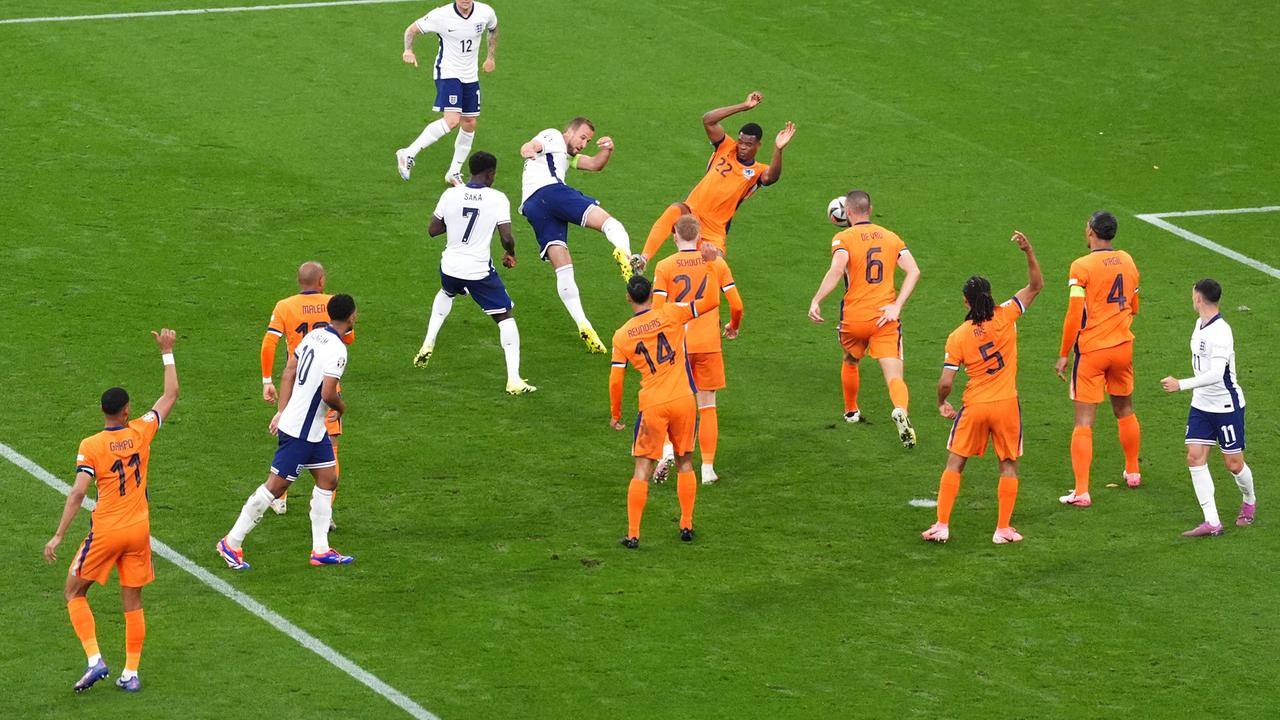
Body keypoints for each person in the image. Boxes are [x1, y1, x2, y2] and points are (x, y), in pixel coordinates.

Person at [43, 329, 180, 693]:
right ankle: (130, 673)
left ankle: (95, 660)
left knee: (74, 592)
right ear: (126, 410)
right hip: (139, 530)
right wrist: (167, 352)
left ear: (103, 411)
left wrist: (58, 534)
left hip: (106, 531)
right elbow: (170, 395)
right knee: (132, 600)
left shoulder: (91, 445)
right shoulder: (140, 432)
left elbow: (77, 494)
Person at [218, 295, 358, 570]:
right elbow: (329, 392)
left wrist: (282, 410)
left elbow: (289, 370)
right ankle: (231, 543)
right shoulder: (338, 350)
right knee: (276, 486)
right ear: (352, 317)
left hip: (311, 429)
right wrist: (341, 408)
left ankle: (320, 549)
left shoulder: (314, 336)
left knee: (328, 479)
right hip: (301, 431)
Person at [922, 233, 1043, 544]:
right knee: (1008, 465)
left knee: (955, 463)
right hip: (1006, 404)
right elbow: (1035, 286)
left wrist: (941, 403)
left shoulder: (958, 336)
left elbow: (946, 381)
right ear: (990, 296)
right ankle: (1002, 529)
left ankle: (942, 525)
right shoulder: (1007, 315)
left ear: (965, 302)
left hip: (974, 406)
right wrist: (1028, 251)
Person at [610, 275, 720, 548]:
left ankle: (634, 534)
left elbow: (616, 379)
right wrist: (711, 265)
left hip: (653, 405)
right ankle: (686, 524)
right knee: (685, 463)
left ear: (628, 298)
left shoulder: (622, 335)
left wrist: (615, 414)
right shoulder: (671, 312)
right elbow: (711, 301)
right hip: (684, 399)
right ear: (652, 294)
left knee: (642, 470)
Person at [414, 151, 535, 394]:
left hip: (449, 265)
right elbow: (507, 237)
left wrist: (456, 222)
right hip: (477, 271)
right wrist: (510, 253)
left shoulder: (451, 193)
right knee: (505, 316)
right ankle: (514, 380)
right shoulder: (497, 198)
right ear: (491, 174)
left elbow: (433, 229)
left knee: (447, 292)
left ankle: (429, 341)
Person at [808, 190, 922, 447]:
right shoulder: (891, 237)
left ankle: (851, 411)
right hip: (885, 317)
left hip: (854, 318)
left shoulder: (843, 238)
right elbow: (914, 271)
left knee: (850, 359)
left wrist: (816, 300)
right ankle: (900, 410)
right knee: (894, 376)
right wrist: (897, 306)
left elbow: (837, 270)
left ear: (847, 212)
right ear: (870, 209)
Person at [636, 92, 795, 266]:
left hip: (714, 230)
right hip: (691, 212)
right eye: (740, 141)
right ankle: (643, 259)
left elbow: (772, 176)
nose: (742, 147)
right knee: (675, 209)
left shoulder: (758, 171)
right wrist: (744, 106)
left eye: (748, 144)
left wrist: (778, 149)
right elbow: (708, 119)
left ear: (758, 145)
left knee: (714, 267)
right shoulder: (726, 146)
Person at [518, 117, 636, 353]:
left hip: (532, 206)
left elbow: (594, 164)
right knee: (611, 224)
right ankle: (626, 256)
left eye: (588, 140)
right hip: (550, 192)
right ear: (568, 132)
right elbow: (532, 145)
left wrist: (608, 150)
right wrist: (529, 150)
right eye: (582, 137)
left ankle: (584, 324)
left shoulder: (563, 155)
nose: (584, 144)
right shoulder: (553, 136)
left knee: (563, 267)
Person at [1055, 211, 1143, 507]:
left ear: (1090, 230)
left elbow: (1073, 314)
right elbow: (1135, 305)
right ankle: (1133, 470)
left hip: (1092, 351)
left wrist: (1064, 353)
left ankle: (1081, 491)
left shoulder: (1082, 266)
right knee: (1125, 409)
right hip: (1123, 347)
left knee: (1084, 422)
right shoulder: (1128, 260)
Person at [651, 215, 743, 484]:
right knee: (708, 406)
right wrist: (734, 325)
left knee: (672, 403)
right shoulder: (716, 263)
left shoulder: (665, 266)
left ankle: (668, 450)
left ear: (675, 236)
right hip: (708, 344)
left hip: (677, 345)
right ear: (700, 235)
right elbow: (736, 304)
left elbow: (656, 311)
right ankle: (707, 469)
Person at [1160, 279, 1255, 536]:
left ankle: (1249, 501)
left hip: (1226, 405)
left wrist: (1181, 384)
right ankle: (1212, 522)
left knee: (1234, 465)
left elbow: (1216, 373)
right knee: (1194, 457)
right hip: (1201, 404)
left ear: (1199, 299)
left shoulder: (1221, 332)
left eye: (1193, 296)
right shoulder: (1199, 324)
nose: (1192, 299)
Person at [260, 261, 352, 520]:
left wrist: (267, 380)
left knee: (289, 438)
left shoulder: (285, 306)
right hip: (327, 385)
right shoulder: (334, 303)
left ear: (299, 280)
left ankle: (279, 497)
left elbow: (270, 343)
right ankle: (326, 510)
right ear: (321, 280)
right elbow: (349, 337)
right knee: (330, 446)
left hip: (297, 387)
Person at [397, 0, 500, 185]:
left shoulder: (485, 12)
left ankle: (453, 172)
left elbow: (493, 28)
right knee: (452, 120)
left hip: (470, 75)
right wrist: (408, 50)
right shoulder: (441, 15)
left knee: (469, 122)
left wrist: (490, 57)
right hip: (448, 72)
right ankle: (408, 153)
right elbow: (411, 29)